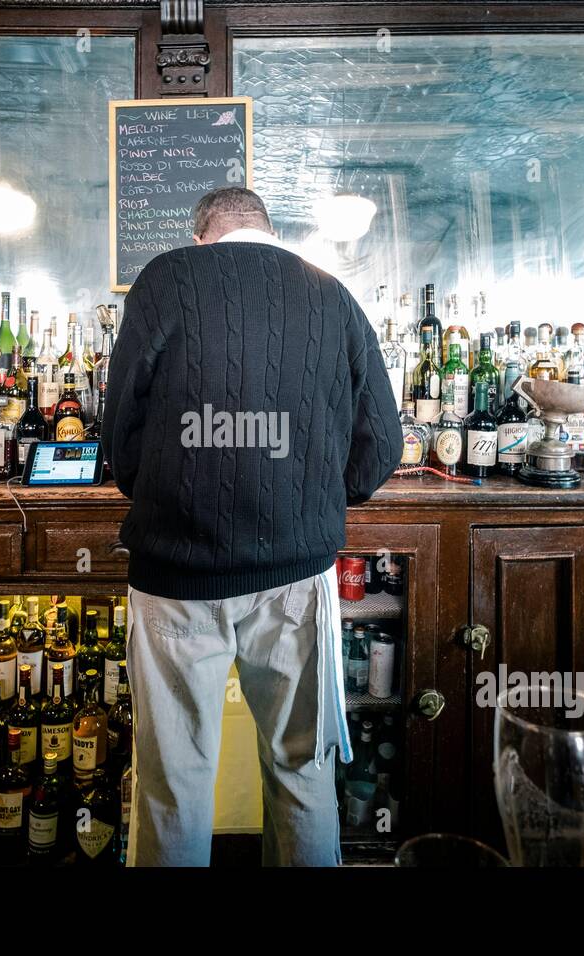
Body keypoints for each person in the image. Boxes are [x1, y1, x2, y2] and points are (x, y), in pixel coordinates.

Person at [102, 186, 401, 866]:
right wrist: (320, 496)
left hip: (174, 574)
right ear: (267, 229)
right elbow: (382, 443)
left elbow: (119, 430)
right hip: (297, 575)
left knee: (172, 783)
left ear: (202, 233)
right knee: (302, 768)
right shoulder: (333, 294)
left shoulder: (166, 279)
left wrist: (159, 489)